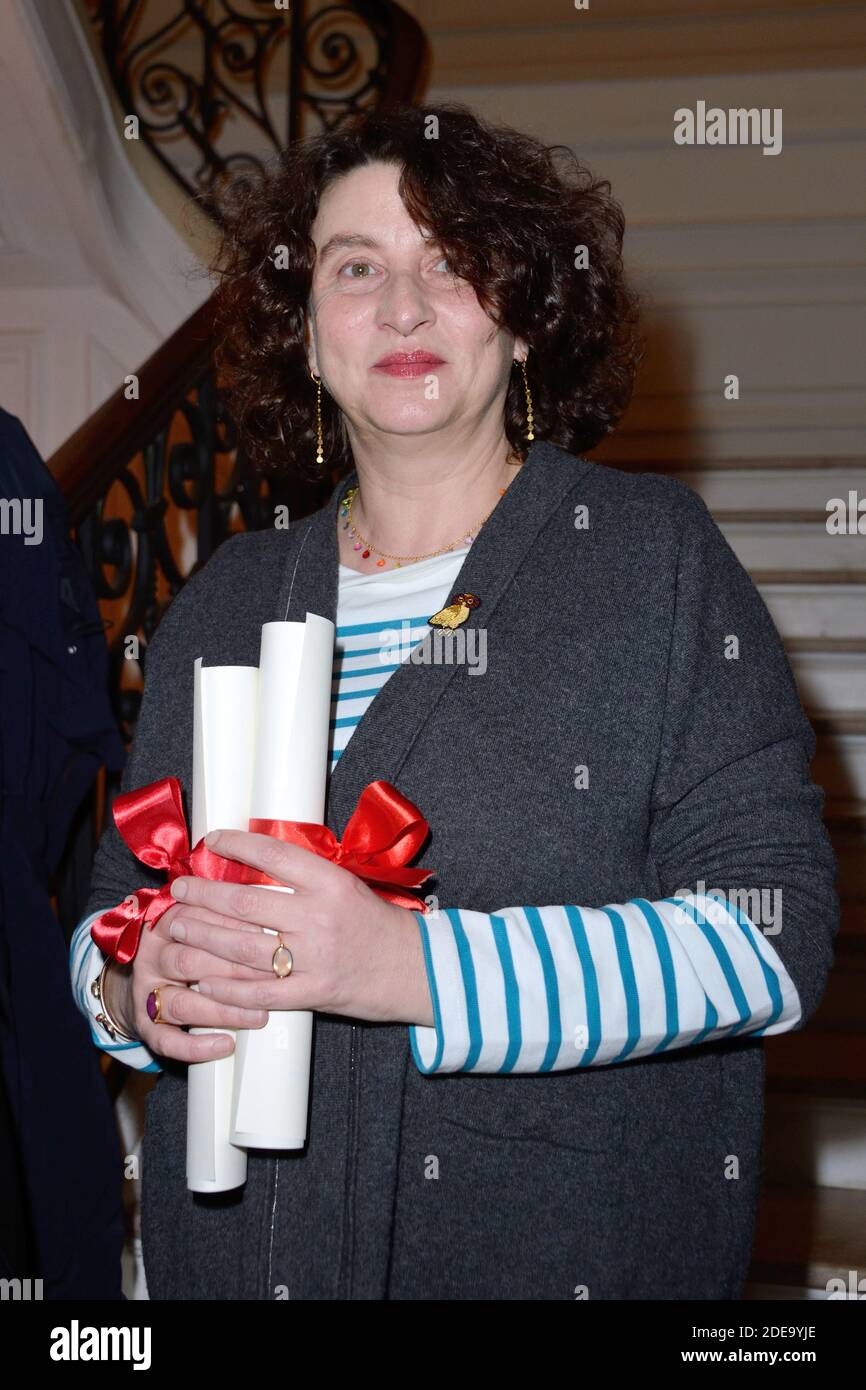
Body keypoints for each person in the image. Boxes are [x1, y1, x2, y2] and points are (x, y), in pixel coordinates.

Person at [70, 101, 838, 1300]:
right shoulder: (226, 596)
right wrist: (138, 983)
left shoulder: (648, 559)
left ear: (524, 322)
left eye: (452, 264)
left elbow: (771, 934)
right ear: (308, 334)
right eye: (355, 268)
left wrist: (406, 966)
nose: (404, 307)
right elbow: (106, 924)